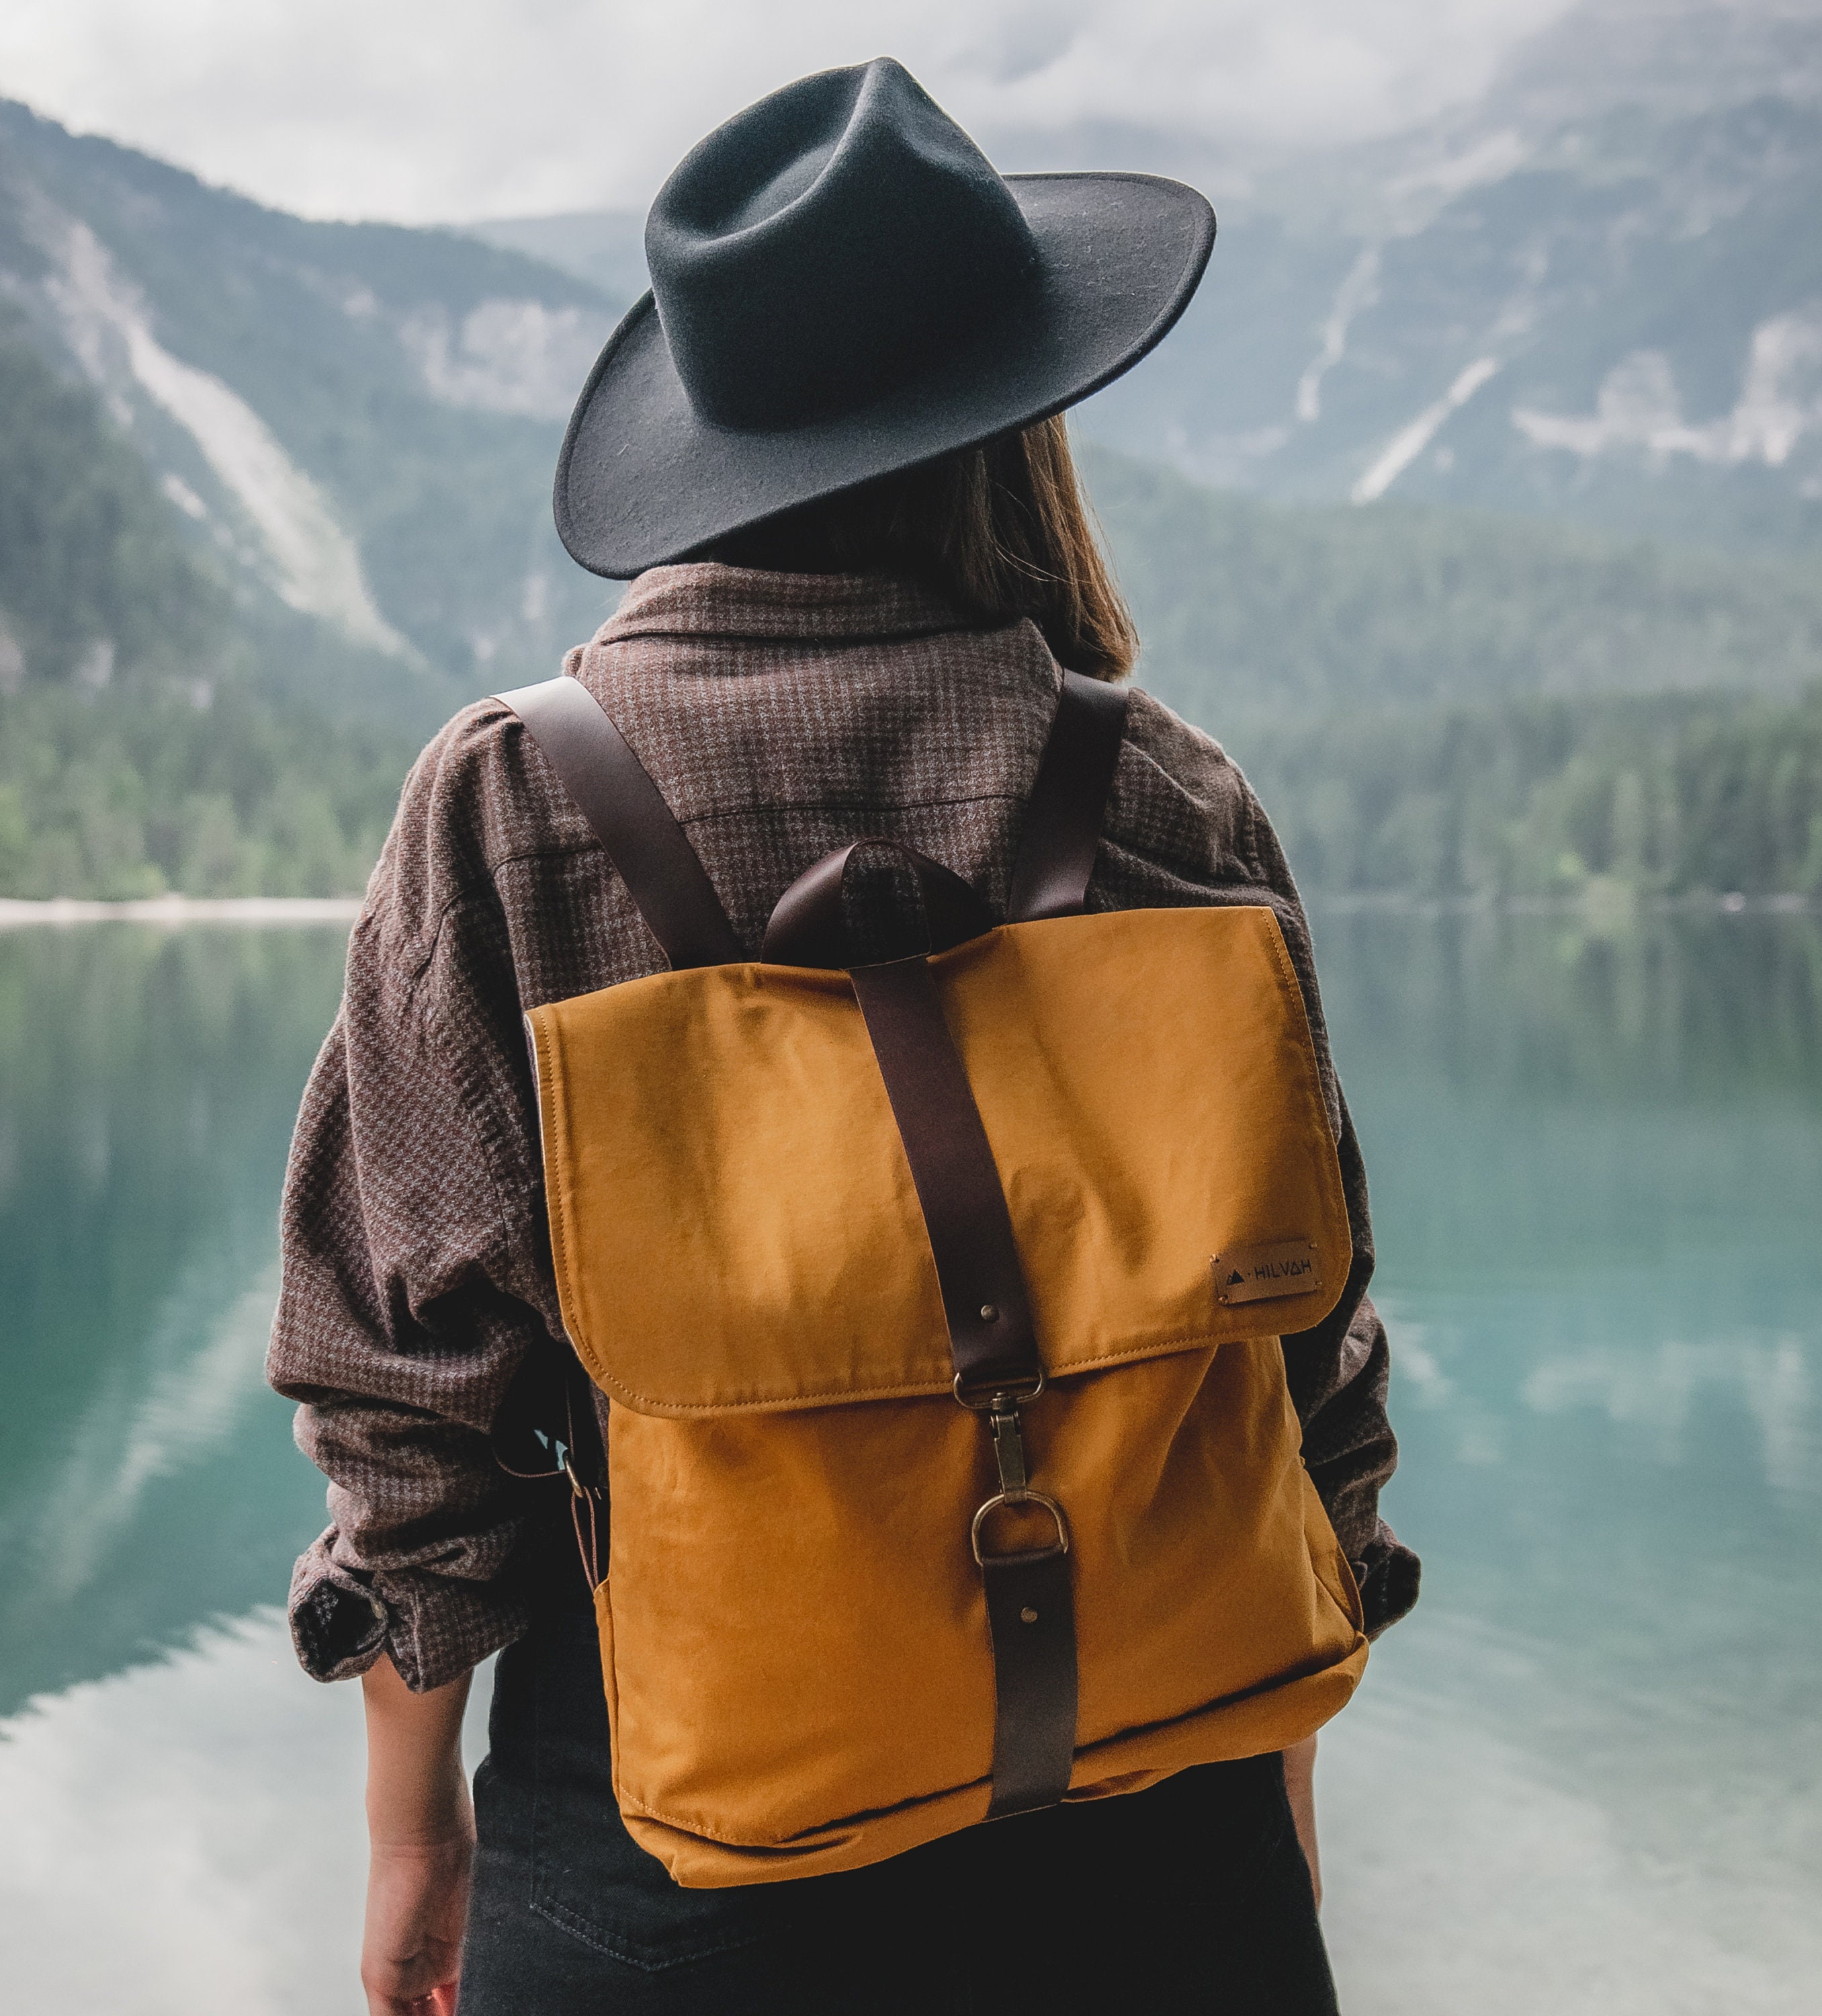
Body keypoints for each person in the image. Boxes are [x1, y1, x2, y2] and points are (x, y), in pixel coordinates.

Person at [269, 56, 1419, 2016]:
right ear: (1014, 420)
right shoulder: (1171, 800)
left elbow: (413, 1422)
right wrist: (1272, 1790)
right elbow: (1298, 1372)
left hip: (673, 1869)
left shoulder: (508, 812)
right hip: (1166, 1834)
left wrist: (412, 1838)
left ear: (714, 446)